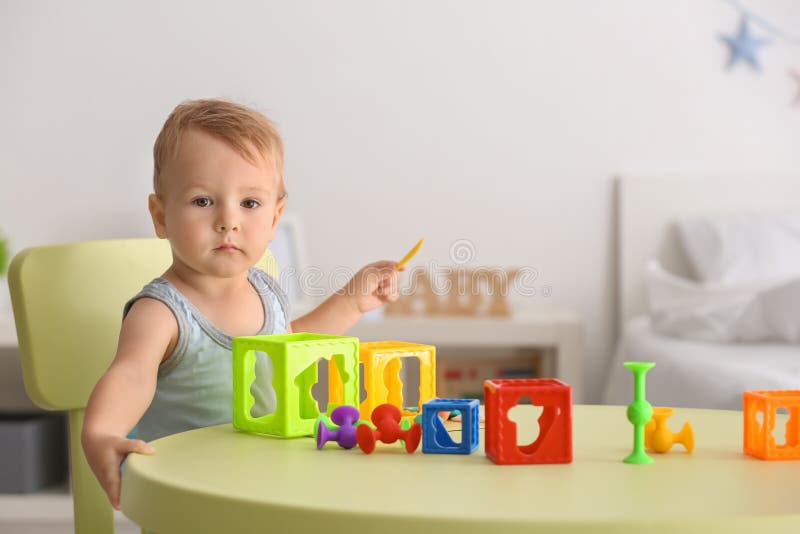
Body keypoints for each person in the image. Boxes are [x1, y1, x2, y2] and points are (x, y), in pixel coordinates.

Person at [81, 99, 400, 509]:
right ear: (160, 217)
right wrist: (102, 433)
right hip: (192, 500)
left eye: (249, 204)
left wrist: (352, 302)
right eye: (202, 201)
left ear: (274, 218)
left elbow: (291, 348)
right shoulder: (162, 311)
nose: (228, 221)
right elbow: (131, 377)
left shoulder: (265, 291)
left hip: (265, 488)